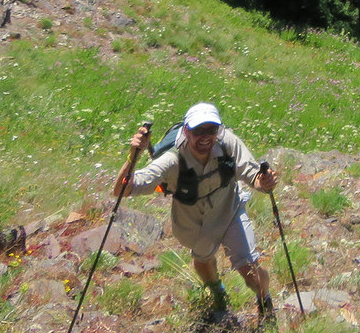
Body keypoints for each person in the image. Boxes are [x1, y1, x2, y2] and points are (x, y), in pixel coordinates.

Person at [116, 102, 278, 321]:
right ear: (186, 131)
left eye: (211, 129)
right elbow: (122, 190)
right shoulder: (172, 159)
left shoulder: (227, 142)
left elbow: (253, 175)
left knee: (251, 271)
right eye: (198, 130)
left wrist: (265, 182)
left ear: (218, 130)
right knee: (204, 259)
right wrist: (132, 157)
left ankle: (264, 300)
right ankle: (218, 293)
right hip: (194, 223)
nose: (205, 136)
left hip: (230, 209)